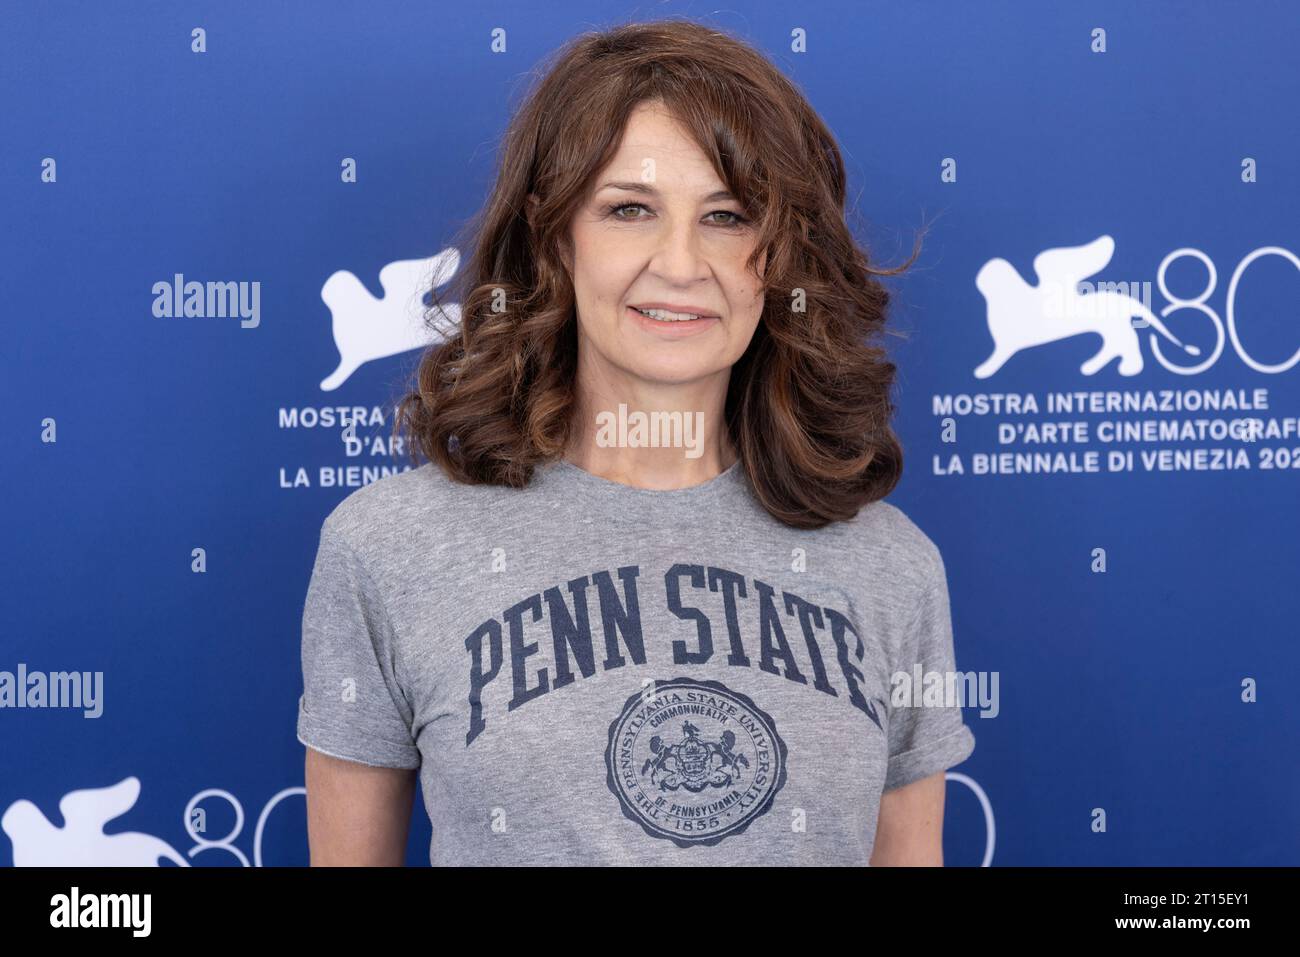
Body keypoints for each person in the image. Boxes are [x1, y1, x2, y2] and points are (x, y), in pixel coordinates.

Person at [297, 18, 975, 866]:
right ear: (554, 239)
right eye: (629, 209)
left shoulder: (892, 567)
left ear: (782, 256)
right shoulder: (386, 549)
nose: (681, 263)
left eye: (728, 216)